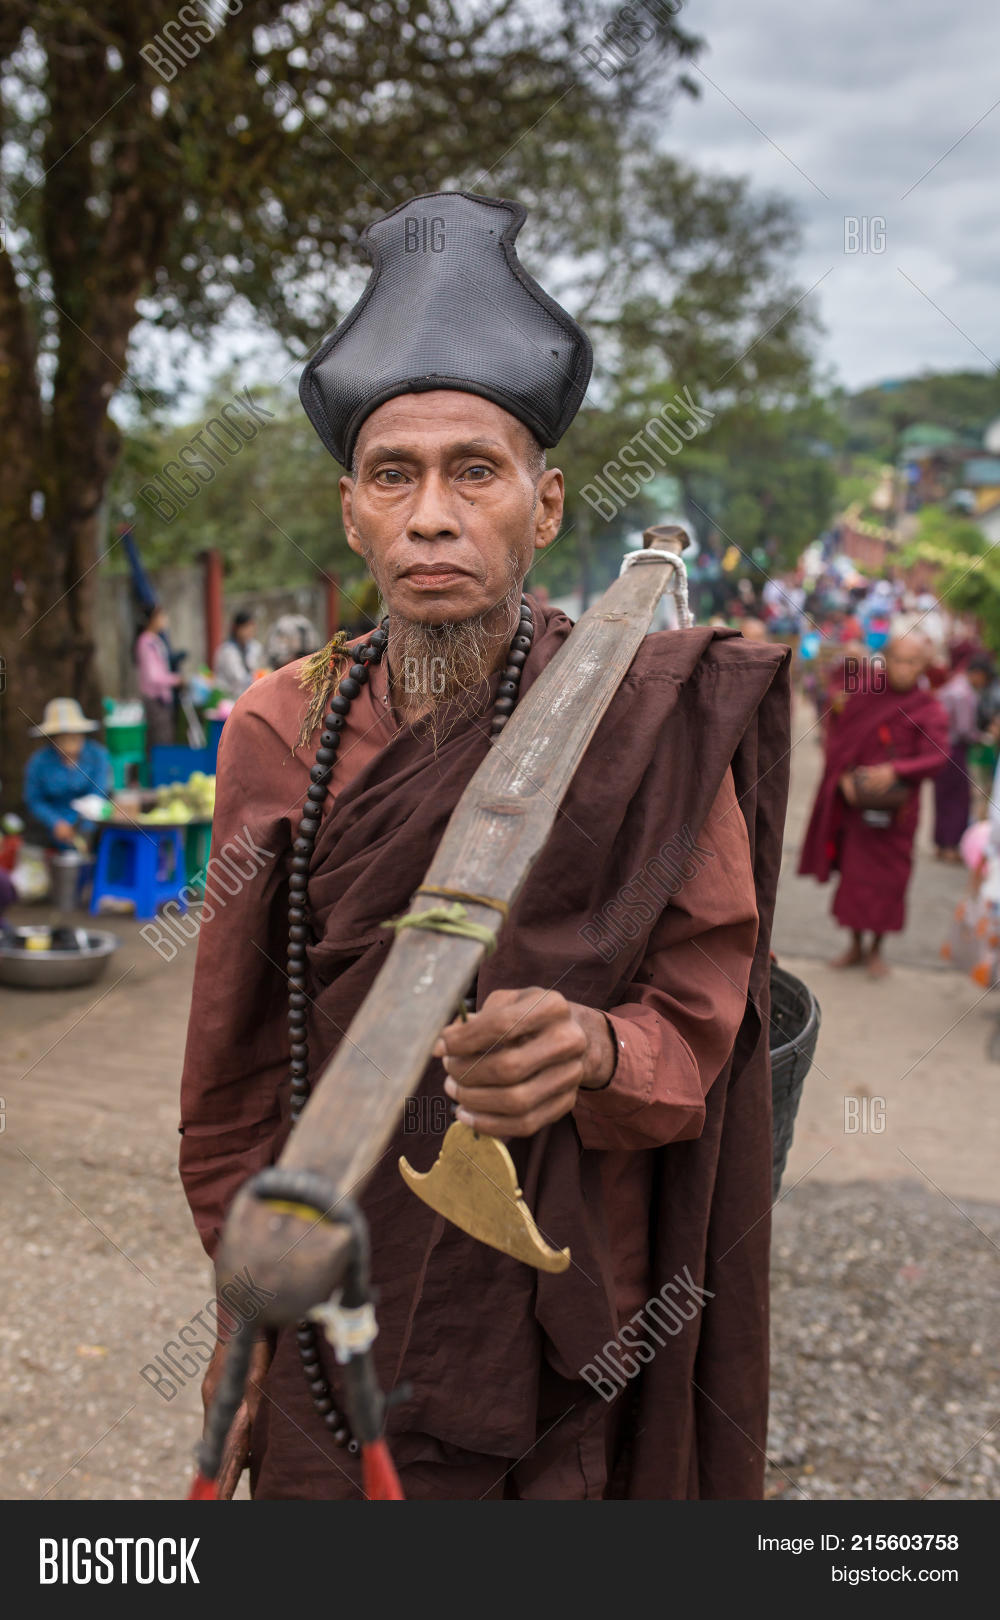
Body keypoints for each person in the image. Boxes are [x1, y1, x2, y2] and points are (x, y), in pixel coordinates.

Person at [179, 191, 791, 1502]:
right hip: (332, 1314)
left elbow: (706, 1020)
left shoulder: (649, 718)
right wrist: (244, 1316)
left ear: (547, 503)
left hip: (564, 1310)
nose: (434, 515)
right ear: (352, 512)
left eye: (476, 470)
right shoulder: (278, 726)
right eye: (395, 475)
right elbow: (233, 1080)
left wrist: (597, 1049)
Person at [798, 633, 949, 977]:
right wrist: (844, 778)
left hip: (899, 811)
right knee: (853, 876)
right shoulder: (867, 692)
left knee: (889, 882)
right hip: (857, 805)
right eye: (898, 660)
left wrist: (895, 770)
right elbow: (839, 728)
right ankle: (854, 946)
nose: (904, 669)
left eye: (912, 662)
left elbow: (938, 757)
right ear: (886, 660)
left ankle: (877, 951)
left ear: (923, 666)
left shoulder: (928, 706)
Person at [22, 699, 111, 849]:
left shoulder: (98, 756)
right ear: (52, 738)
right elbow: (34, 800)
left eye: (74, 736)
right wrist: (55, 822)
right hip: (50, 831)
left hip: (90, 828)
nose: (69, 742)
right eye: (62, 737)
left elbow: (99, 794)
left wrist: (82, 828)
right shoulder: (39, 762)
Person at [933, 644, 992, 861]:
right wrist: (985, 738)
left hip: (940, 748)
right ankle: (950, 847)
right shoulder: (964, 693)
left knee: (943, 797)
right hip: (954, 750)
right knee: (958, 800)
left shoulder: (953, 686)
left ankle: (941, 844)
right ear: (977, 674)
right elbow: (966, 730)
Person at [135, 604, 182, 748]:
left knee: (166, 738)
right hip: (155, 700)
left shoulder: (156, 641)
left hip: (163, 700)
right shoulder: (146, 642)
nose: (164, 620)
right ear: (152, 619)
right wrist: (175, 679)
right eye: (161, 616)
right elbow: (153, 676)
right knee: (160, 742)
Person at [213, 611, 264, 699]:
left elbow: (260, 668)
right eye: (246, 627)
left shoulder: (255, 647)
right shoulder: (227, 651)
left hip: (252, 694)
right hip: (230, 697)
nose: (249, 631)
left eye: (251, 627)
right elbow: (238, 679)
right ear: (236, 628)